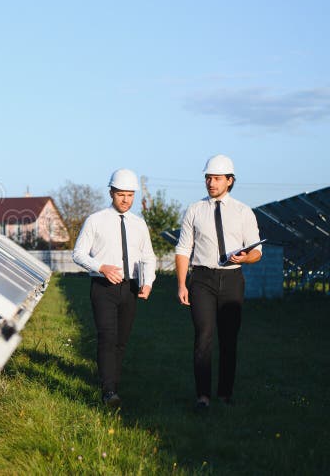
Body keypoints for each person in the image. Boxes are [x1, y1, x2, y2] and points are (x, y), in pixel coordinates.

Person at [175, 154, 262, 409]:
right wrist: (182, 284)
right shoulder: (194, 209)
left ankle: (225, 394)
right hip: (202, 278)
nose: (211, 183)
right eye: (208, 178)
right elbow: (182, 249)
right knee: (203, 336)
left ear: (230, 180)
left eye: (216, 178)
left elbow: (257, 252)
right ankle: (203, 396)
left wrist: (246, 258)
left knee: (229, 338)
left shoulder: (243, 211)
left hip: (233, 278)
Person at [73, 169, 157, 407]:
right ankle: (109, 391)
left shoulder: (139, 224)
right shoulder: (95, 220)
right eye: (121, 194)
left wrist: (148, 282)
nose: (125, 200)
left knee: (121, 340)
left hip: (130, 288)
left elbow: (149, 256)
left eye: (130, 195)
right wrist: (101, 267)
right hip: (103, 287)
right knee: (107, 337)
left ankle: (112, 383)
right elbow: (78, 253)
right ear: (111, 192)